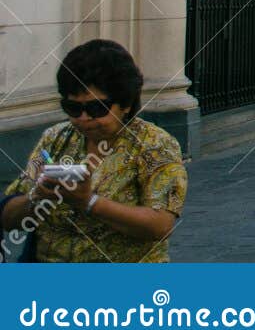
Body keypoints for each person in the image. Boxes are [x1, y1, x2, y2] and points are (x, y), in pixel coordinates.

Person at [2, 40, 186, 262]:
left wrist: (89, 202)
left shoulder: (154, 145)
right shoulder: (55, 138)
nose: (84, 118)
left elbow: (160, 225)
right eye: (73, 108)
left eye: (97, 108)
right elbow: (8, 217)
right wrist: (37, 198)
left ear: (126, 103)